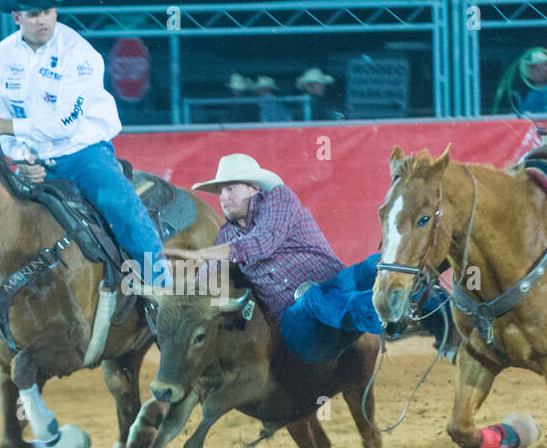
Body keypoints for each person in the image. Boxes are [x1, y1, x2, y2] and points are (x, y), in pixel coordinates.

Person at [0, 0, 174, 392]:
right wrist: (24, 161)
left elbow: (61, 123)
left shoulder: (81, 55)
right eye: (34, 13)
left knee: (117, 200)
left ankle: (162, 291)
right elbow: (2, 131)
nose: (43, 20)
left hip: (82, 151)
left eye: (49, 11)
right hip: (32, 159)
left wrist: (1, 126)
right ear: (17, 16)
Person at [165, 153, 451, 364]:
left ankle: (444, 304)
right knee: (312, 297)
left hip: (336, 287)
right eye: (219, 191)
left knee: (376, 263)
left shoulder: (278, 201)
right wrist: (184, 286)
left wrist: (202, 254)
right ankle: (388, 312)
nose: (222, 198)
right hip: (299, 329)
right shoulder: (225, 237)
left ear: (254, 188)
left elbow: (262, 243)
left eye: (230, 188)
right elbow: (209, 277)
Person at [494, 47, 547, 114]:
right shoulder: (532, 96)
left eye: (545, 65)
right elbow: (526, 121)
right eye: (533, 67)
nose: (539, 70)